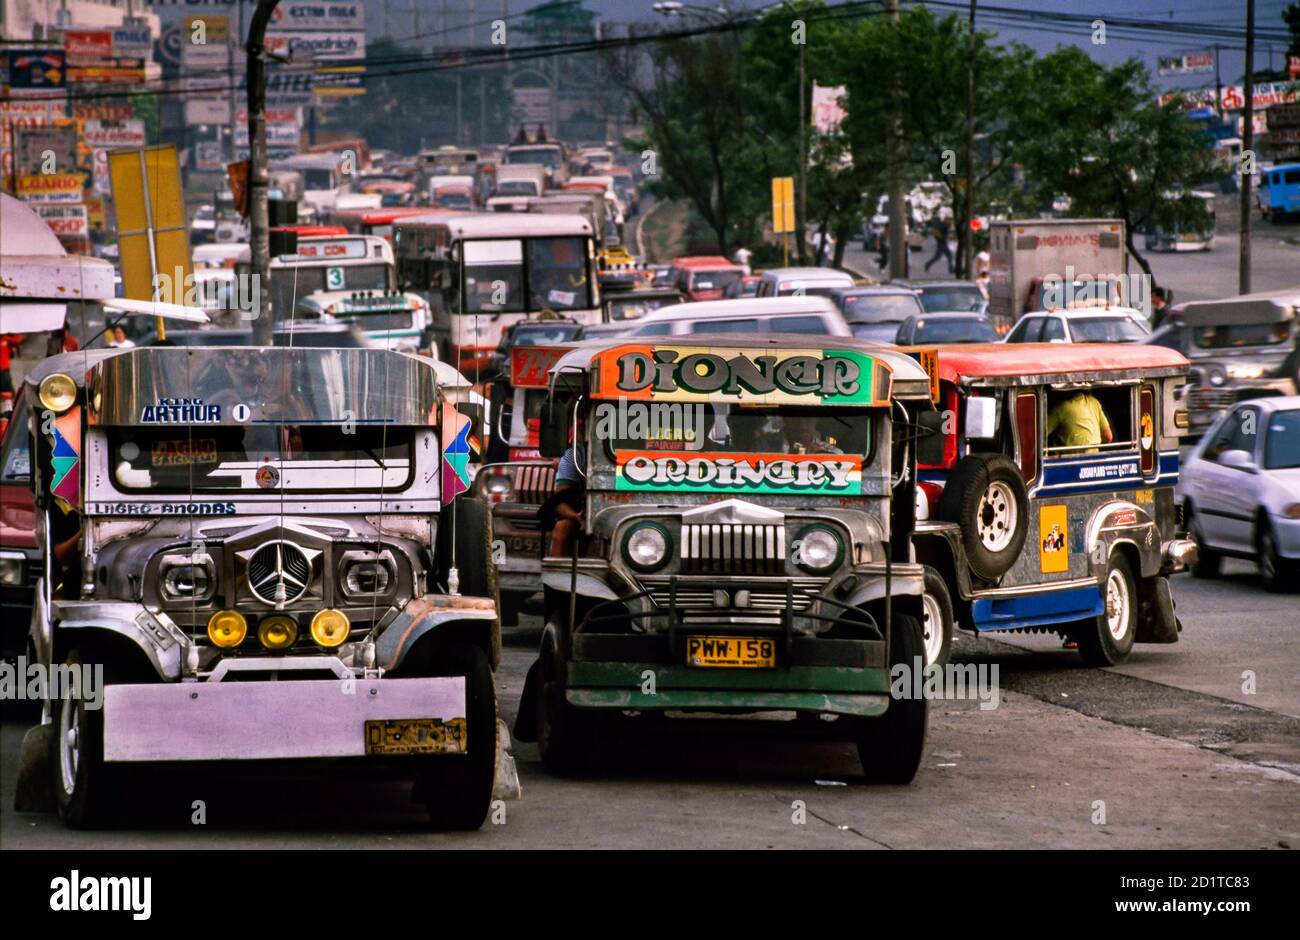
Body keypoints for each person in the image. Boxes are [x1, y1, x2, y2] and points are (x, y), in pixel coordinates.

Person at [1047, 391, 1113, 450]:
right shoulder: (1094, 402)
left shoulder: (1061, 408)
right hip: (1095, 460)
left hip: (1069, 460)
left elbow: (1039, 435)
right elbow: (1108, 436)